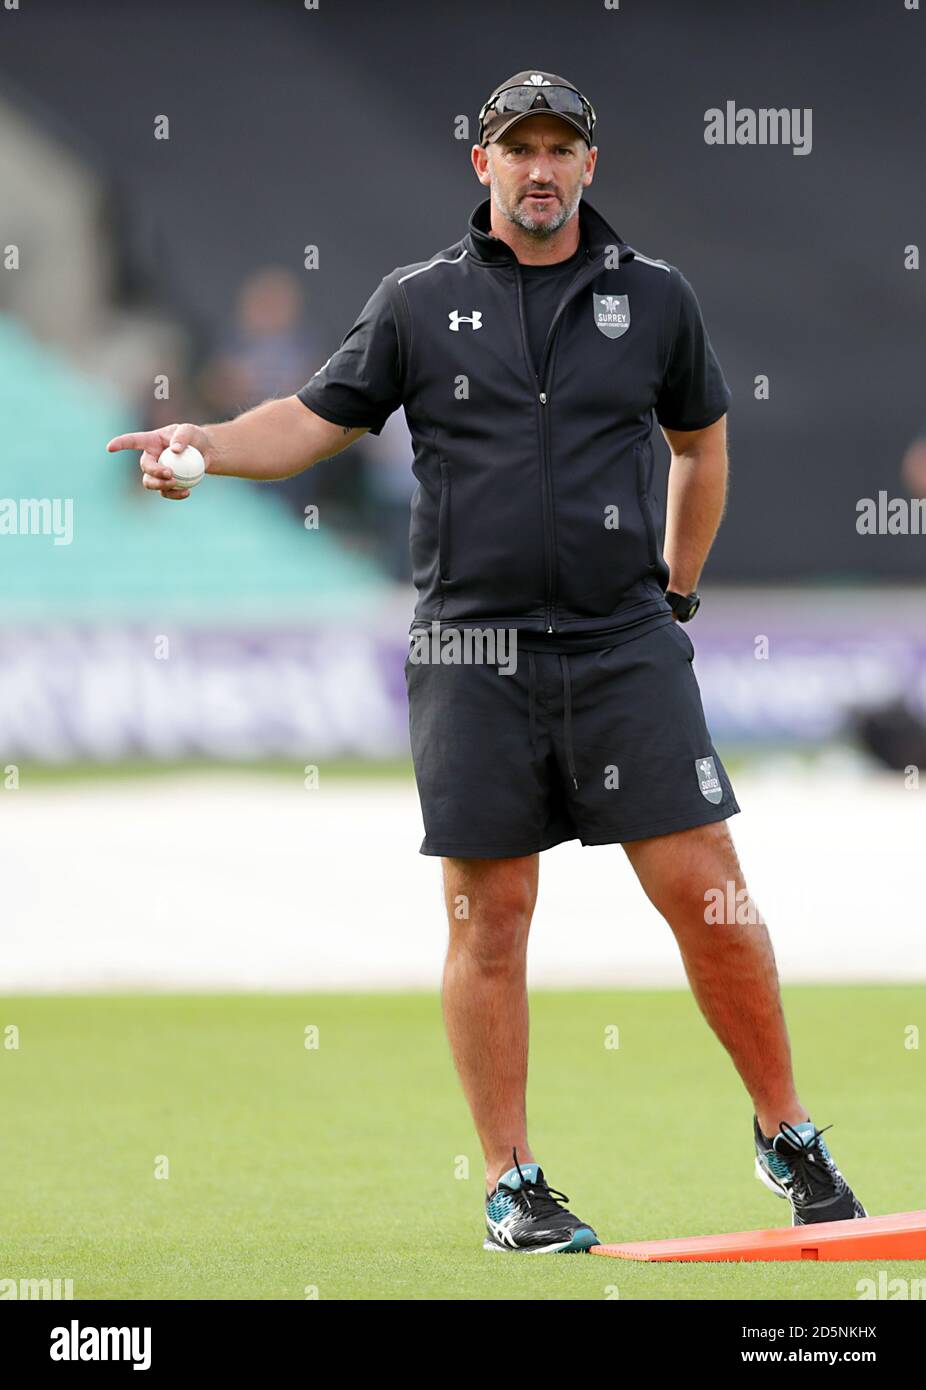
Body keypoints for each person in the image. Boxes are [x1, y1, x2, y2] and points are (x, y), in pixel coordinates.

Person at [108, 69, 866, 1253]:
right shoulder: (416, 301)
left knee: (708, 894)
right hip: (470, 651)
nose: (540, 166)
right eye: (519, 148)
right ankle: (513, 1183)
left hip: (622, 644)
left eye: (561, 146)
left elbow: (699, 447)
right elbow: (311, 418)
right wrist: (199, 441)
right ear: (482, 165)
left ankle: (785, 1131)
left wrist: (674, 595)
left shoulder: (653, 297)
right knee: (490, 914)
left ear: (587, 166)